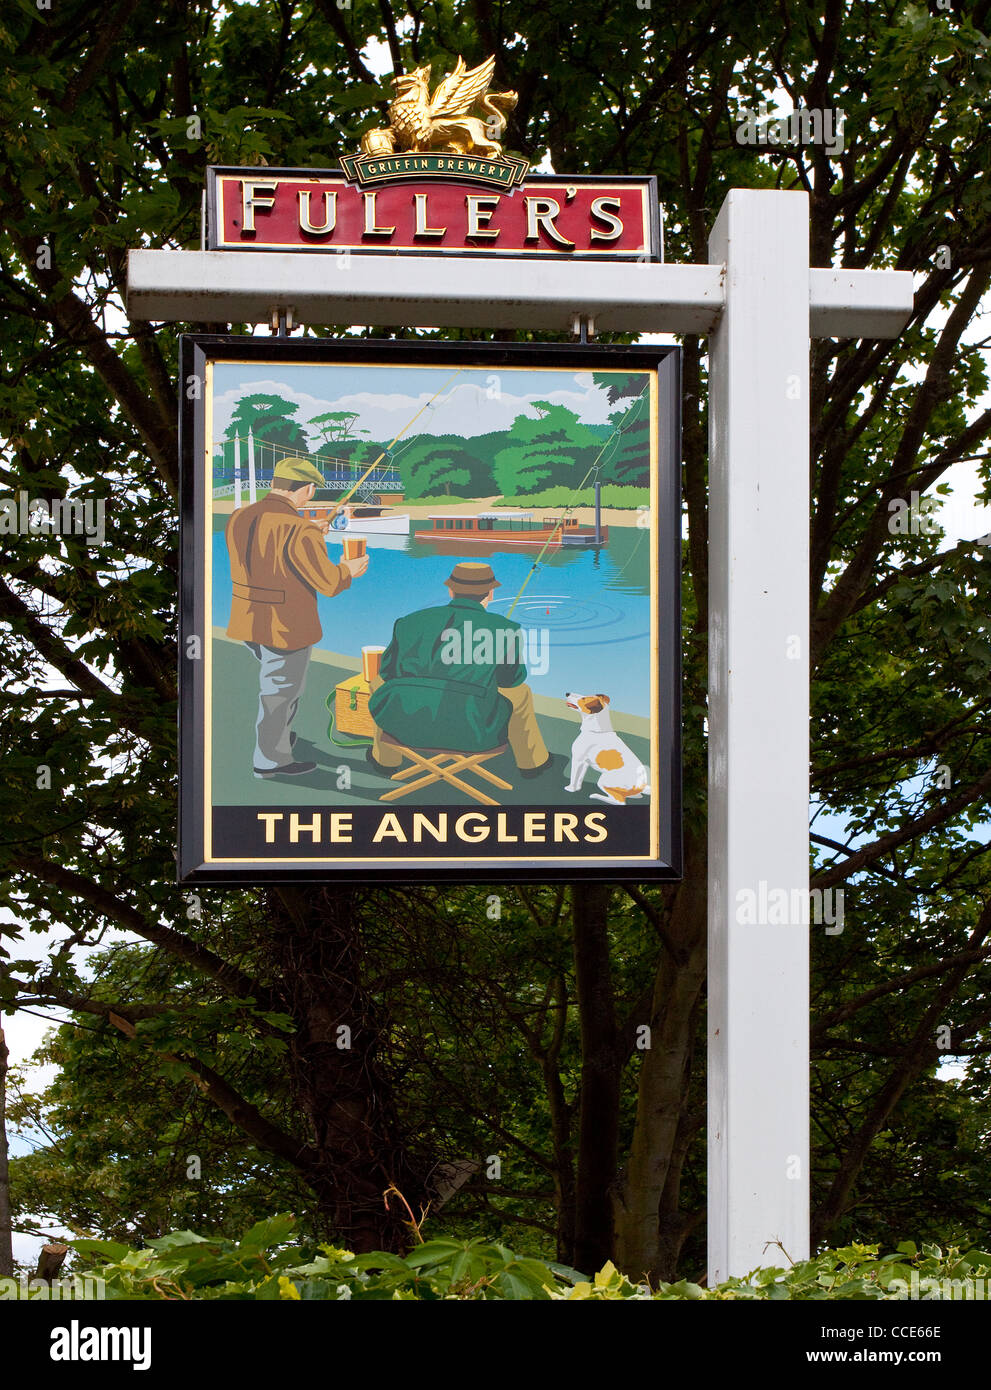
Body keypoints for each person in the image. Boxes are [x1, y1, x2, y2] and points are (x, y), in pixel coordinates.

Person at [225, 457, 369, 778]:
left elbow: (267, 551)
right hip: (285, 625)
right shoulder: (300, 530)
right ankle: (270, 759)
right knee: (281, 691)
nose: (310, 496)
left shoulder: (240, 516)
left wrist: (309, 535)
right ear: (305, 488)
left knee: (277, 685)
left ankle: (276, 740)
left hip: (248, 617)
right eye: (311, 491)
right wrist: (350, 569)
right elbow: (329, 583)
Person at [368, 561, 551, 776]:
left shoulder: (409, 621)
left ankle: (385, 760)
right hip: (476, 733)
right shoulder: (507, 629)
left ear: (451, 590)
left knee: (378, 683)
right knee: (520, 693)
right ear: (490, 593)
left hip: (407, 726)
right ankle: (531, 764)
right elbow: (512, 680)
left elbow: (388, 672)